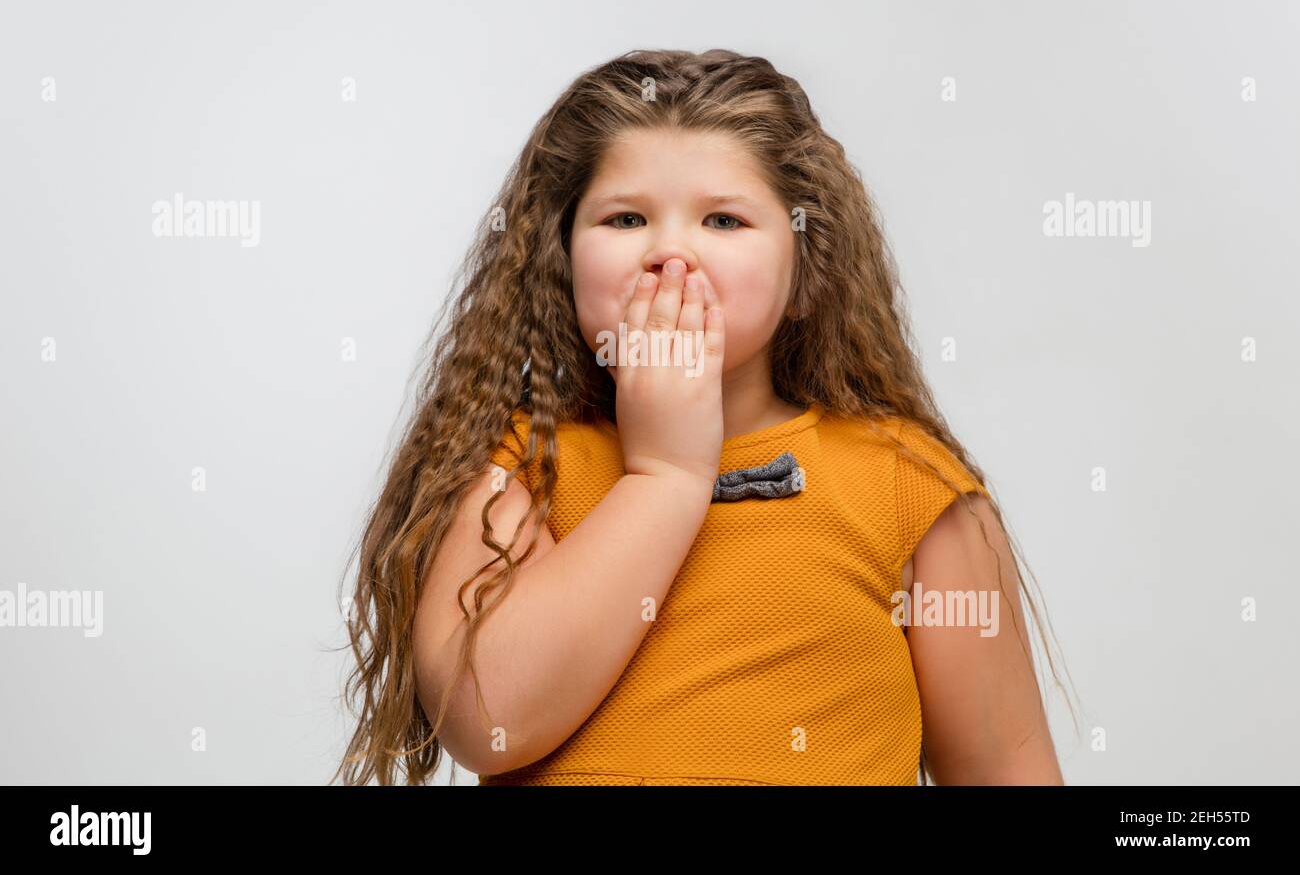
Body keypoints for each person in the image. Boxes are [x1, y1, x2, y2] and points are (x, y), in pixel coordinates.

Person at [334, 49, 1077, 786]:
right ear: (559, 264)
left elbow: (1005, 768)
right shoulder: (517, 467)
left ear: (807, 271)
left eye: (723, 220)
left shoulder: (908, 484)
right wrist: (666, 477)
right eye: (625, 218)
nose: (670, 253)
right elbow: (488, 720)